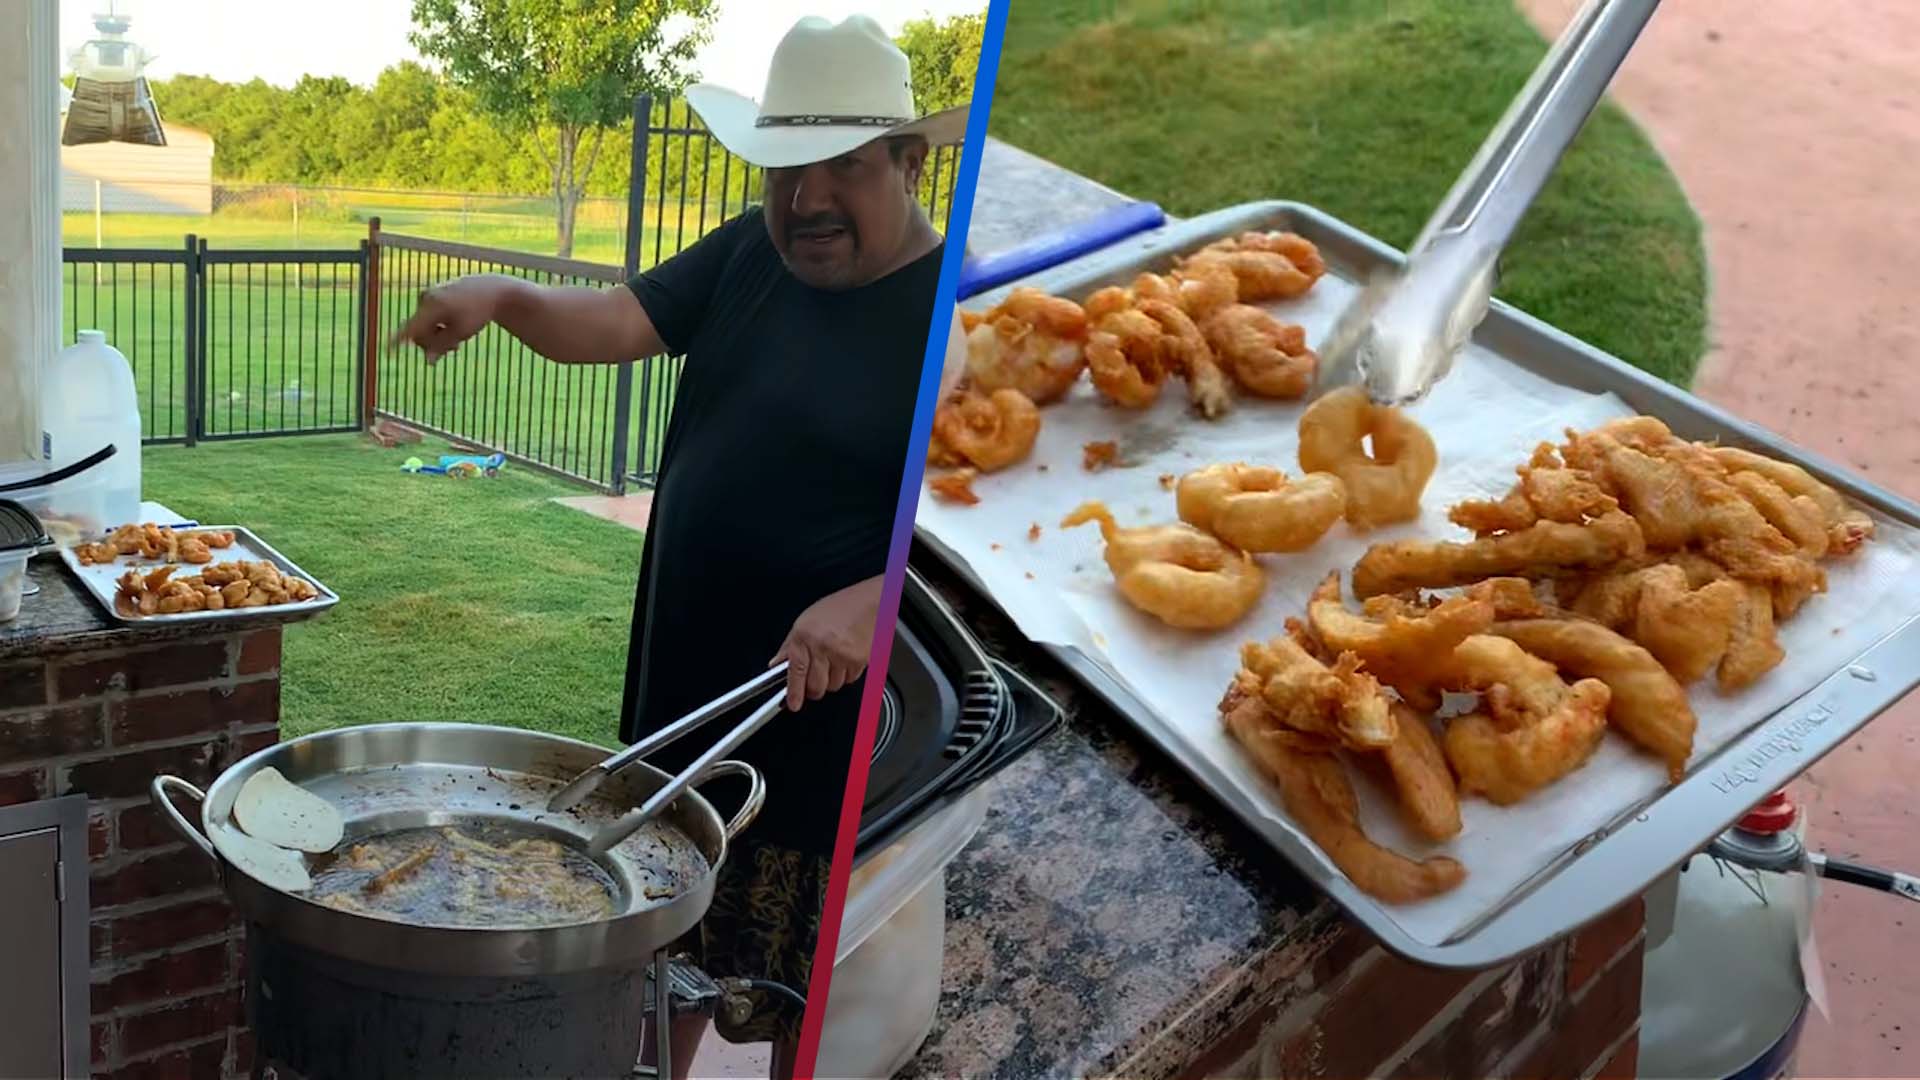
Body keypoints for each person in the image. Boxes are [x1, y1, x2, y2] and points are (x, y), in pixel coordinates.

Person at [390, 13, 968, 1079]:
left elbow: (975, 544)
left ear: (908, 158)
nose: (806, 201)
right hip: (683, 691)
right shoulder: (754, 251)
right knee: (666, 954)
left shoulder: (957, 310)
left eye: (840, 166)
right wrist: (506, 299)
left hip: (816, 728)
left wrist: (874, 596)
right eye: (784, 170)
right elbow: (619, 321)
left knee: (797, 981)